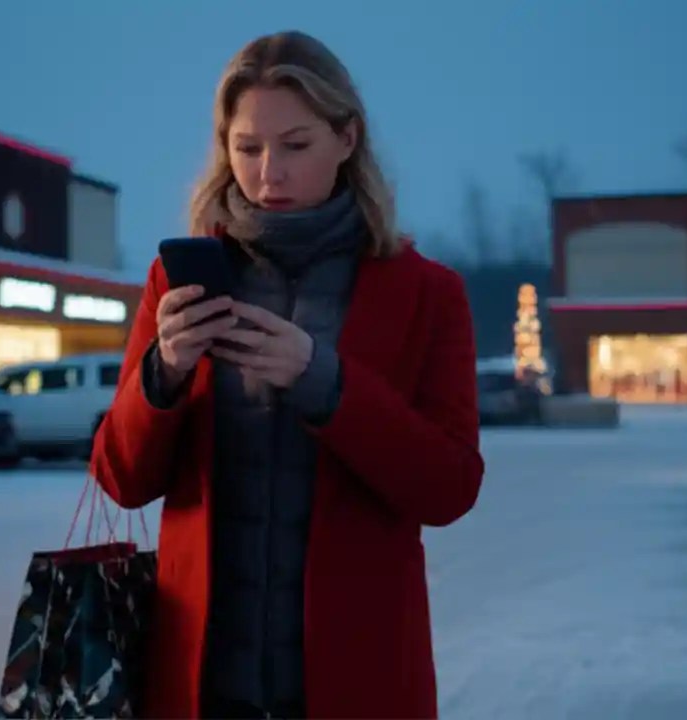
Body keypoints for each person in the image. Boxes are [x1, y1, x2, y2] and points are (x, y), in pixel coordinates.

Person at [92, 30, 484, 719]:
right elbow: (122, 481)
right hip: (200, 684)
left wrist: (326, 384)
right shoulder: (176, 281)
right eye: (247, 148)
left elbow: (450, 488)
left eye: (295, 146)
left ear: (347, 138)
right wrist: (166, 374)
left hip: (356, 680)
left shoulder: (426, 293)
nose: (269, 172)